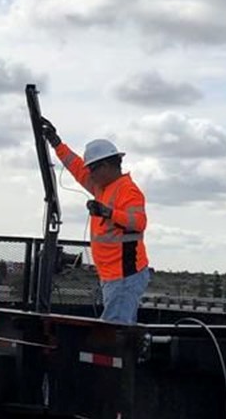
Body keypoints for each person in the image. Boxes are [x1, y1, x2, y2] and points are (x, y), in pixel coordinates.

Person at [37, 117, 151, 323]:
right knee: (116, 327)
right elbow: (77, 167)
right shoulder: (103, 186)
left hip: (125, 274)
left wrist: (108, 212)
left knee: (115, 329)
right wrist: (57, 143)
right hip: (113, 275)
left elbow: (138, 222)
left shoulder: (128, 190)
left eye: (93, 169)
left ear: (106, 166)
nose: (88, 173)